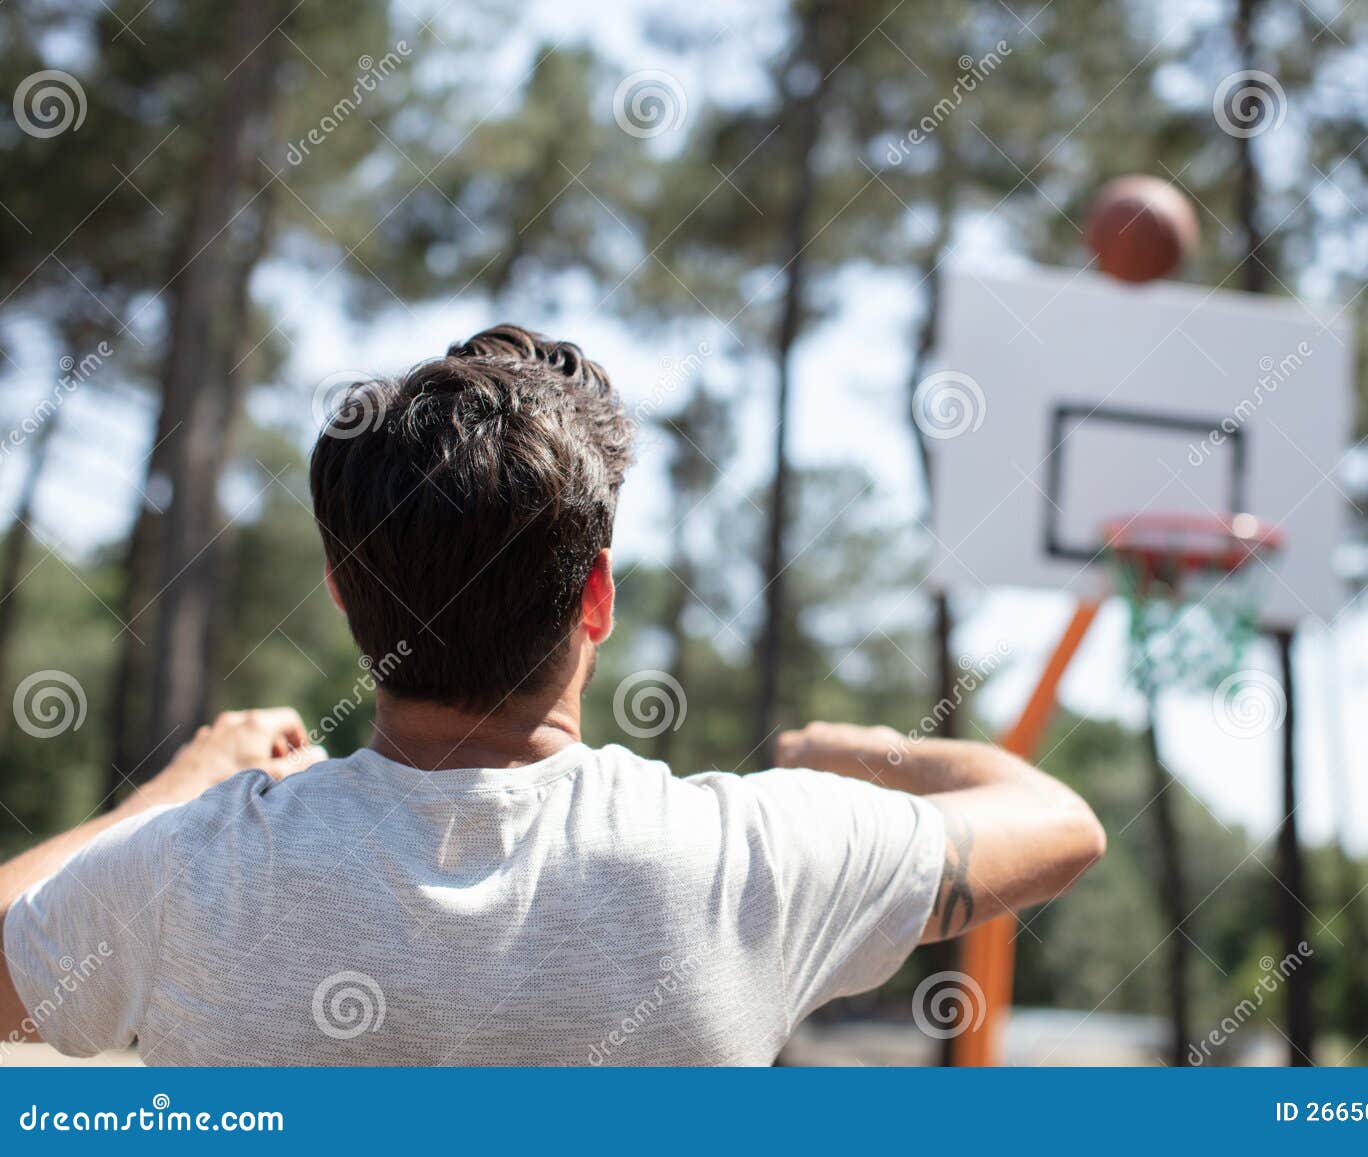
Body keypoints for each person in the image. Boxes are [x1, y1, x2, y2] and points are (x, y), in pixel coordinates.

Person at [0, 326, 1104, 1065]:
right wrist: (856, 748)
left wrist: (172, 791)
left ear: (343, 594)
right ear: (598, 596)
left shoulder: (186, 870)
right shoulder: (753, 854)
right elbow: (1061, 824)